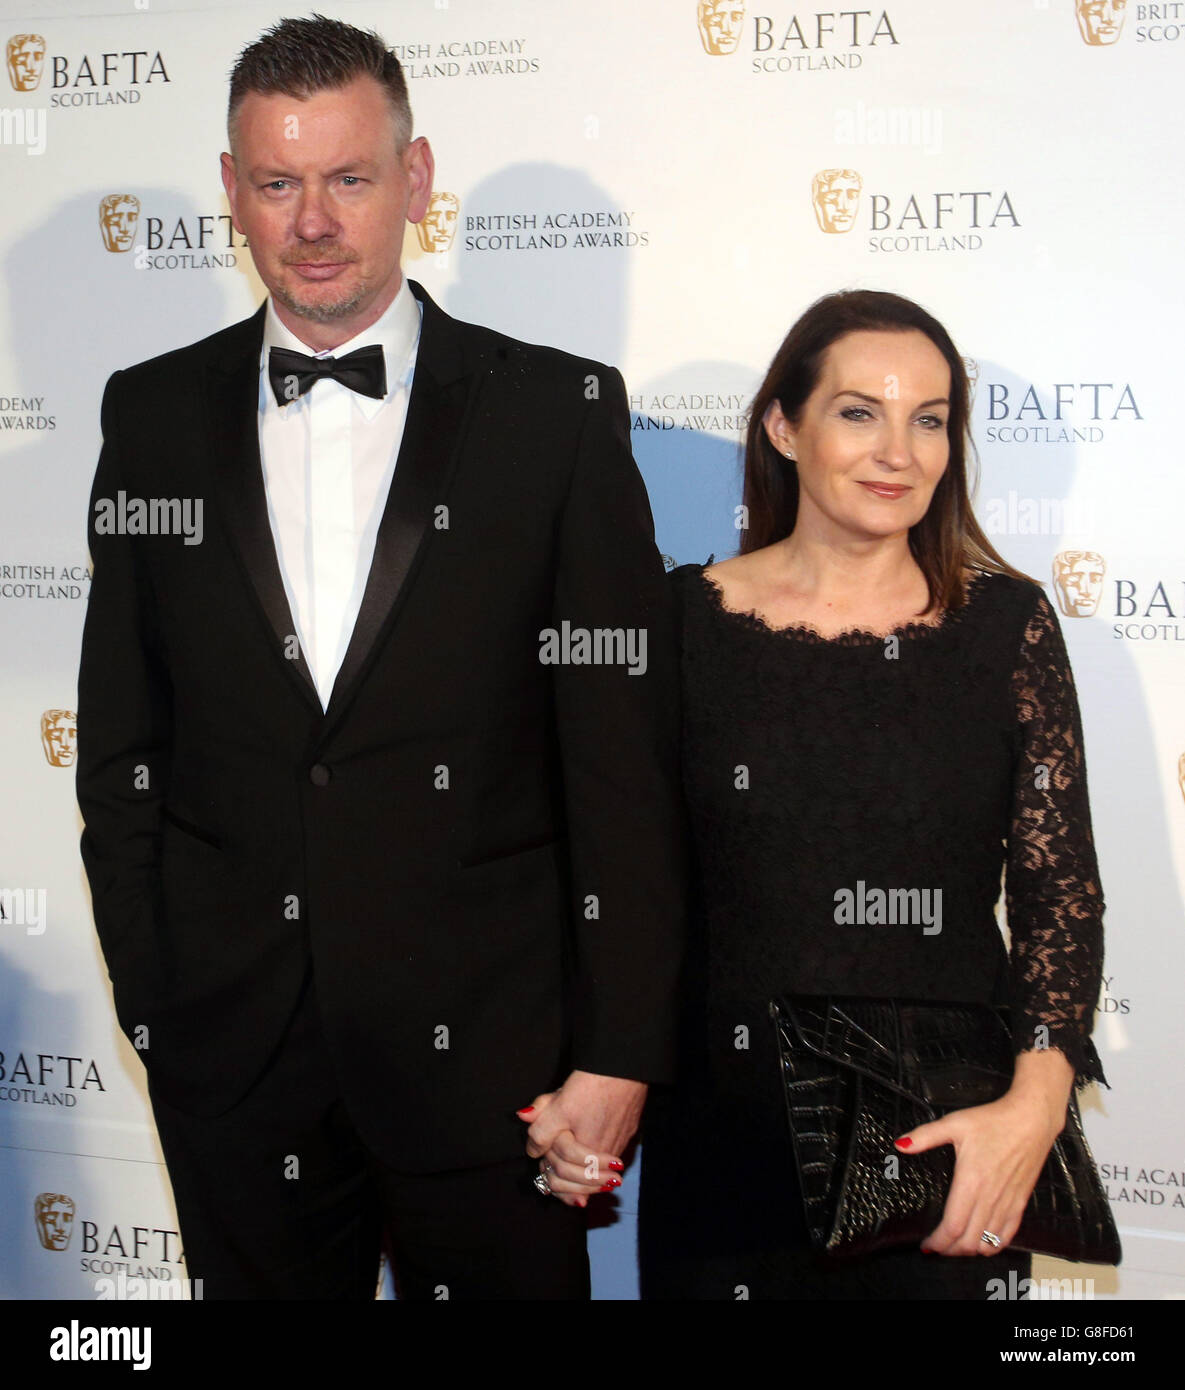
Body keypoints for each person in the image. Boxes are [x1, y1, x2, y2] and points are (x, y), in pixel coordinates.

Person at [76, 15, 685, 1301]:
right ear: (231, 192)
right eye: (279, 183)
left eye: (349, 179)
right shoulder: (151, 414)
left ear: (415, 179)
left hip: (501, 1072)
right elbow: (124, 739)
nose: (313, 222)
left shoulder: (555, 417)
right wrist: (158, 1002)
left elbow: (621, 768)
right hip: (234, 1061)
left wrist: (621, 1046)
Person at [638, 289, 1106, 1299]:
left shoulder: (1007, 626)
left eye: (929, 419)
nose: (900, 450)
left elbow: (1059, 894)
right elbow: (631, 888)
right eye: (860, 411)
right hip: (722, 1151)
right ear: (781, 425)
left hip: (947, 1149)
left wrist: (1034, 1107)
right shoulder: (681, 624)